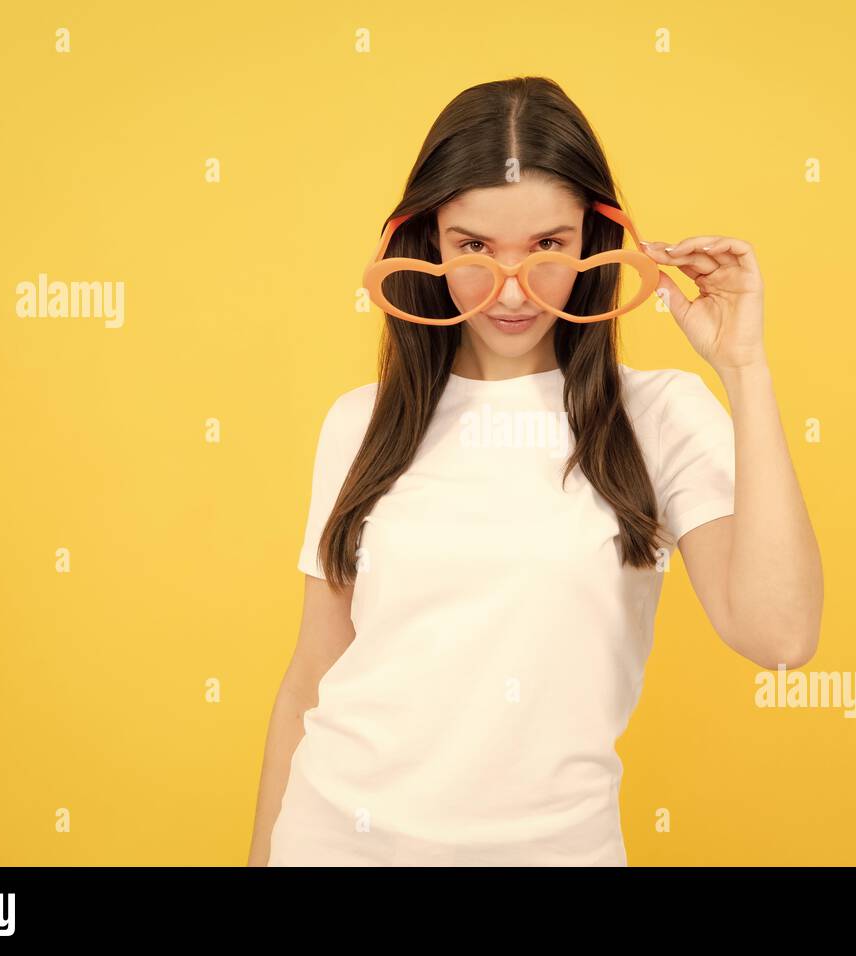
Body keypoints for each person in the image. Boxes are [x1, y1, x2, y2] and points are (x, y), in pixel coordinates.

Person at [249, 76, 823, 867]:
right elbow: (311, 678)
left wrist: (746, 366)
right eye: (474, 246)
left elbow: (780, 635)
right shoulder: (360, 423)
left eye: (548, 245)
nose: (510, 288)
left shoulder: (657, 417)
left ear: (592, 240)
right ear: (430, 243)